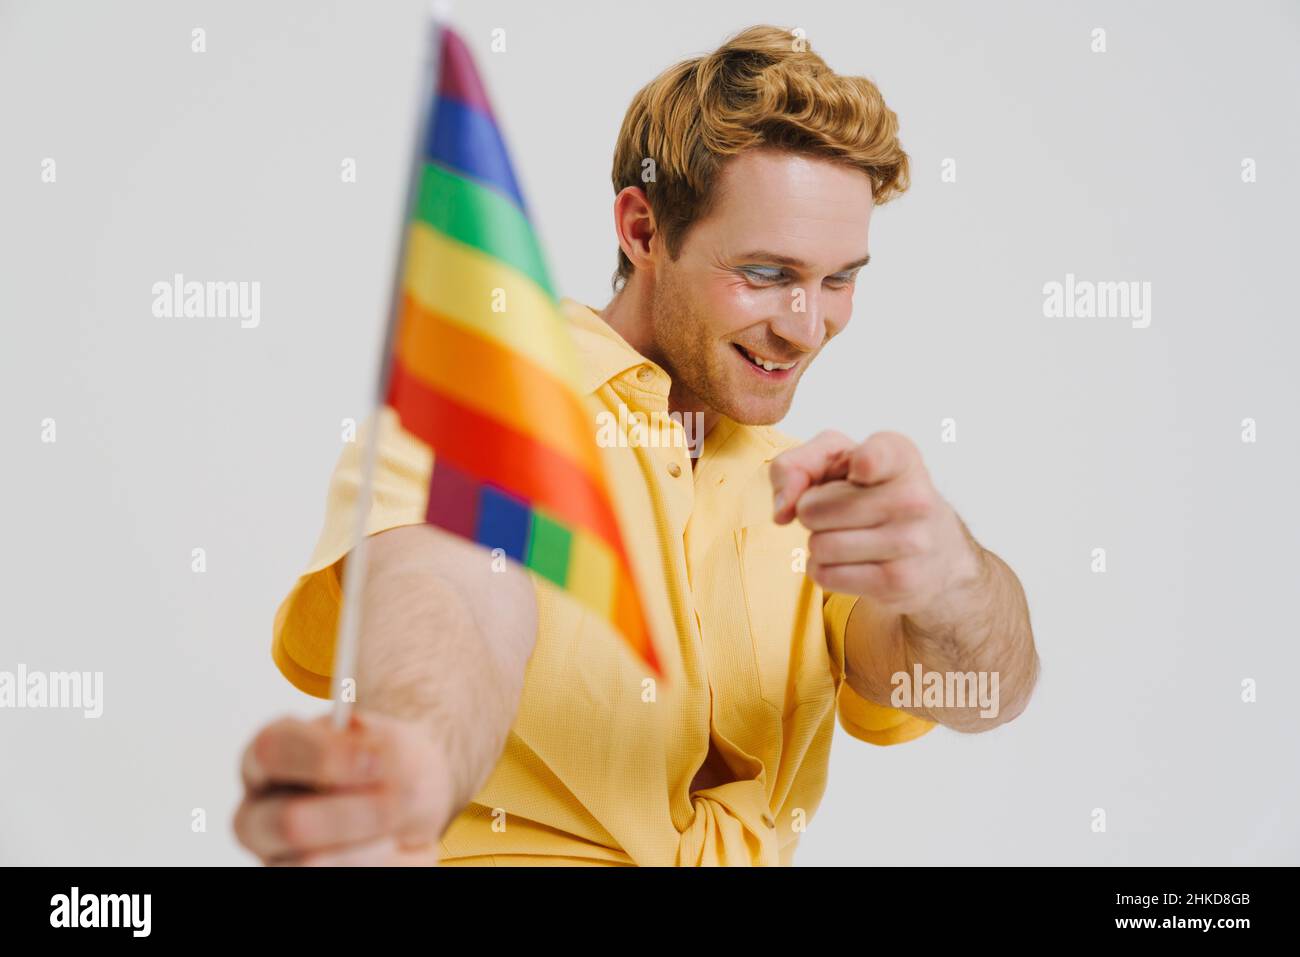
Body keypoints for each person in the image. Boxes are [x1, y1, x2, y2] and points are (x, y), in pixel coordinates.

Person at [234, 24, 1039, 866]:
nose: (808, 326)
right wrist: (411, 768)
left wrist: (947, 574)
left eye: (838, 280)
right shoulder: (476, 410)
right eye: (767, 273)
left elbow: (985, 692)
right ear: (643, 231)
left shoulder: (810, 492)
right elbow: (459, 602)